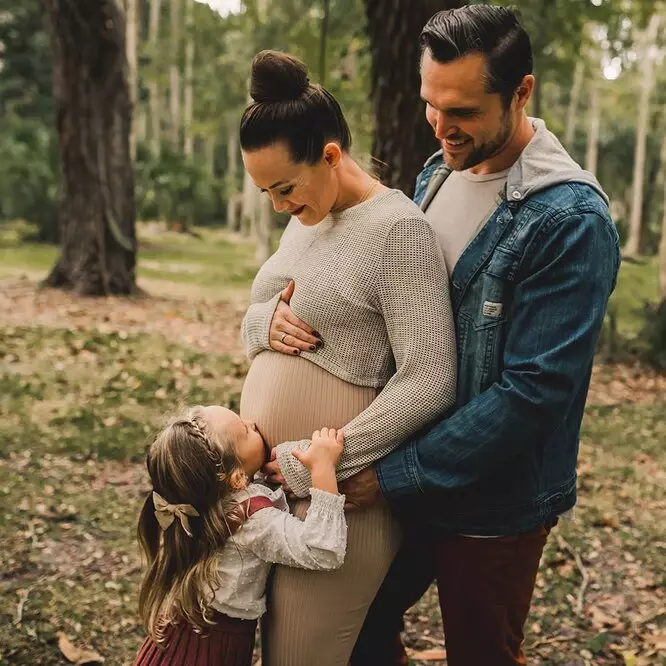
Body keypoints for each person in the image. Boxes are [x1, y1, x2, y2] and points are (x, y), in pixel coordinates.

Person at [278, 6, 620, 665]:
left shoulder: (571, 219)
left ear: (521, 92)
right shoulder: (436, 174)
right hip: (400, 472)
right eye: (431, 103)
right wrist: (273, 316)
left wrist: (392, 474)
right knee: (358, 636)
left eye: (461, 109)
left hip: (492, 501)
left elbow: (533, 392)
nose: (441, 125)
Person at [238, 50, 457, 666]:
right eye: (265, 192)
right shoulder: (305, 218)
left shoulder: (396, 229)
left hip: (336, 496)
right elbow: (259, 312)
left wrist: (317, 466)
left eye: (285, 187)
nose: (278, 204)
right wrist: (260, 324)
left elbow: (431, 377)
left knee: (300, 655)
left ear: (330, 155)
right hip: (270, 489)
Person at [132, 404, 347, 666]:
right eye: (245, 431)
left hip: (186, 633)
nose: (253, 423)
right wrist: (323, 469)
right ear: (235, 479)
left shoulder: (202, 500)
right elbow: (322, 551)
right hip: (206, 648)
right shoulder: (254, 521)